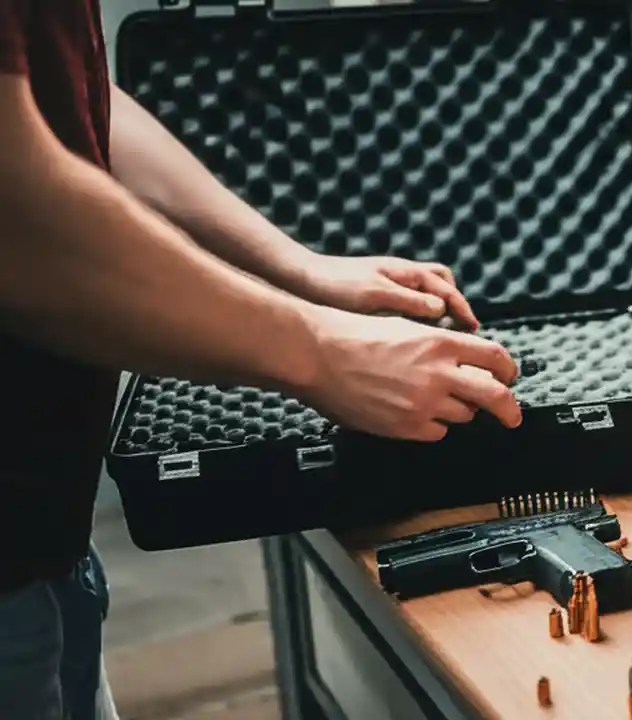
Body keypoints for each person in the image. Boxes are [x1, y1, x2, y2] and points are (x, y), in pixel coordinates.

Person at [0, 3, 524, 718]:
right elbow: (19, 216)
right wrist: (322, 350)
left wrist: (299, 268)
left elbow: (76, 104)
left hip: (41, 536)